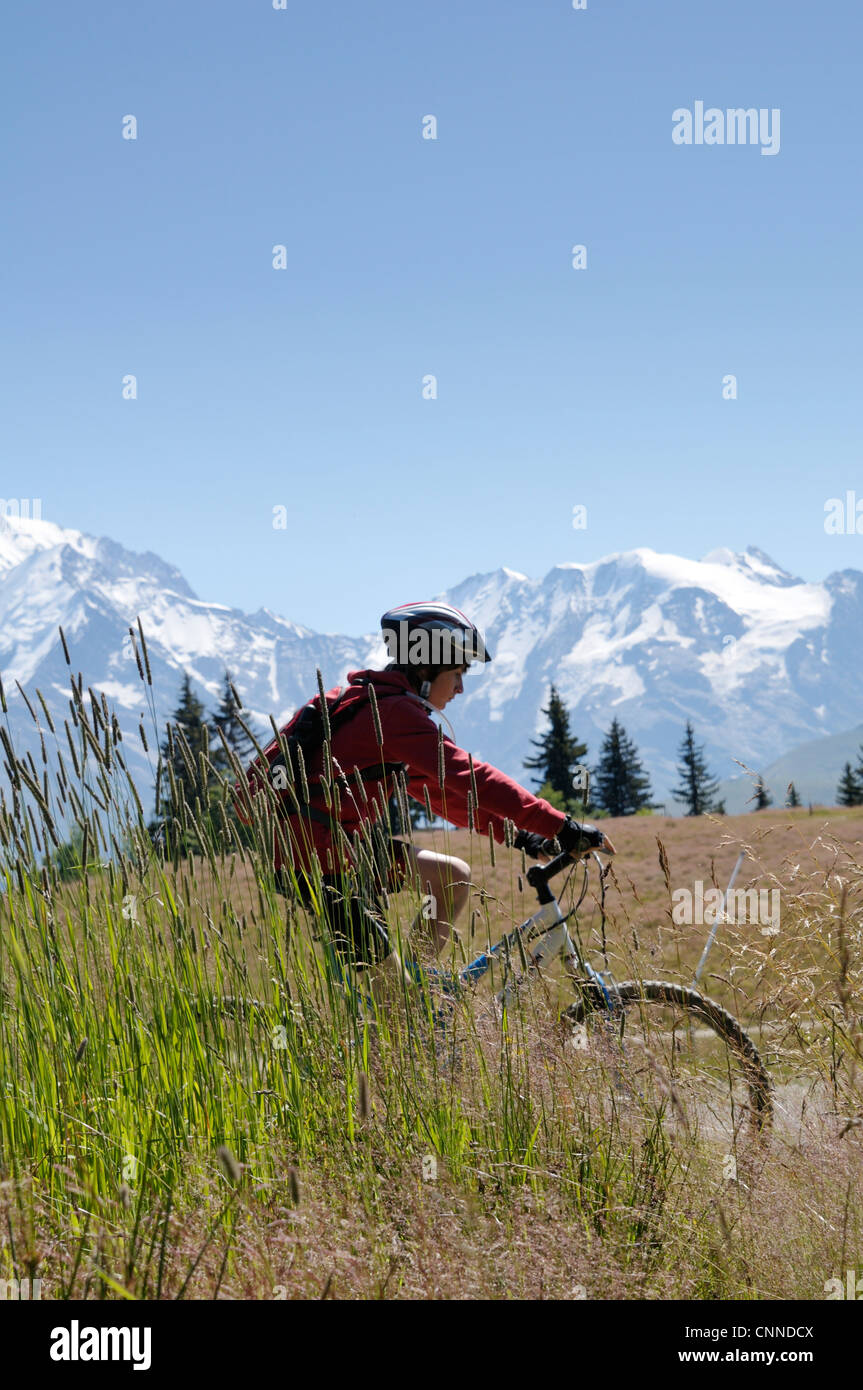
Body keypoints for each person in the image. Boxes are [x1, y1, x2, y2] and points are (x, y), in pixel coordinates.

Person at [235, 601, 615, 986]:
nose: (461, 688)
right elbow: (469, 776)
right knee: (396, 1006)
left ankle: (415, 984)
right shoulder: (391, 714)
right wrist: (560, 825)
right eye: (458, 673)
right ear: (426, 669)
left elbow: (445, 794)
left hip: (343, 850)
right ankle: (401, 1013)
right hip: (318, 865)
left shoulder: (384, 709)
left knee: (453, 878)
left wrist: (521, 836)